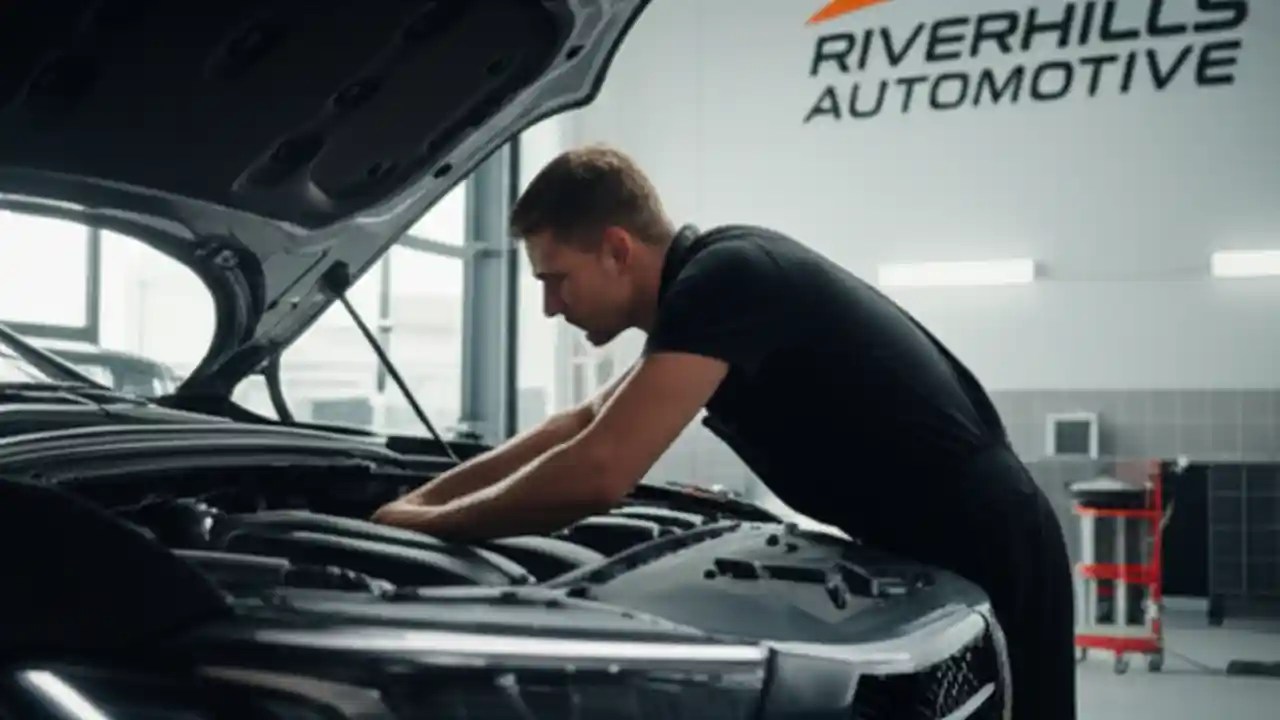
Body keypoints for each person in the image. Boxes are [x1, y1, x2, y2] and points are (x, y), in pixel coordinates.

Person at [371, 144, 1076, 719]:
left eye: (556, 279)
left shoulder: (727, 278)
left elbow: (600, 472)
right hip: (943, 536)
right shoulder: (713, 281)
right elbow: (579, 424)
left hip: (986, 538)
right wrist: (412, 504)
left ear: (617, 249)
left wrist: (430, 531)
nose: (552, 307)